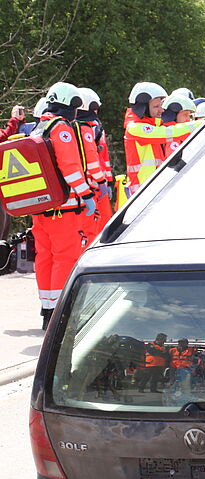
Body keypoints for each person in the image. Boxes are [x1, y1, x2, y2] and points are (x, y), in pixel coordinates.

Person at [29, 82, 99, 327]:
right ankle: (60, 315)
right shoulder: (60, 128)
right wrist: (87, 194)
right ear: (71, 105)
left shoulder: (39, 126)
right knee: (64, 257)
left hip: (40, 209)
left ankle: (47, 309)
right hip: (64, 208)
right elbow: (69, 166)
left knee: (44, 258)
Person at [123, 82, 200, 198]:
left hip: (152, 188)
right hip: (142, 192)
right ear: (143, 107)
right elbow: (169, 132)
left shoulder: (153, 124)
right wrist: (201, 124)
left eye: (161, 106)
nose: (161, 110)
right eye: (156, 106)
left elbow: (175, 129)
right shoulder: (135, 128)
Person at [75, 88, 114, 229]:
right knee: (92, 227)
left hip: (97, 183)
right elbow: (91, 160)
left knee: (104, 225)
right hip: (90, 185)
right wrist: (102, 180)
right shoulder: (81, 129)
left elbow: (104, 158)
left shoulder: (96, 127)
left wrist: (108, 181)